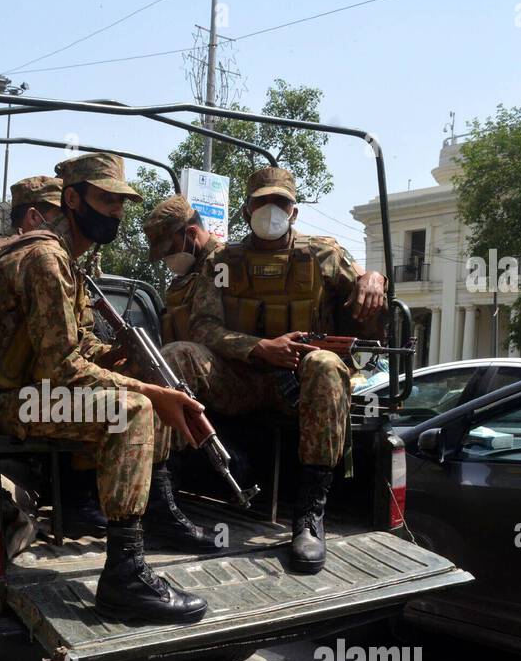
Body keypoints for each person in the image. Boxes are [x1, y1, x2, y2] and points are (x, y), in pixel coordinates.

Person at [0, 152, 217, 624]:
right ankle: (123, 577)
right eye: (106, 200)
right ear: (72, 199)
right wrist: (151, 394)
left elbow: (72, 343)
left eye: (120, 203)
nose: (116, 212)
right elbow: (62, 369)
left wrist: (125, 359)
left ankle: (160, 514)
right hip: (11, 400)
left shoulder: (65, 256)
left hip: (32, 388)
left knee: (154, 377)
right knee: (132, 411)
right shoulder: (46, 257)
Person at [158, 167, 388, 574]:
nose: (271, 210)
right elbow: (203, 327)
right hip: (241, 379)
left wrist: (375, 278)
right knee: (176, 354)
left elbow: (366, 310)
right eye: (262, 202)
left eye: (279, 203)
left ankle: (309, 519)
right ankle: (162, 501)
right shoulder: (223, 261)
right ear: (246, 211)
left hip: (300, 384)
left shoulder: (324, 254)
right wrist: (258, 347)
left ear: (294, 211)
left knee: (325, 362)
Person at [142, 195, 221, 345]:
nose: (167, 257)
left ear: (191, 233)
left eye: (170, 249)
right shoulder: (189, 272)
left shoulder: (223, 263)